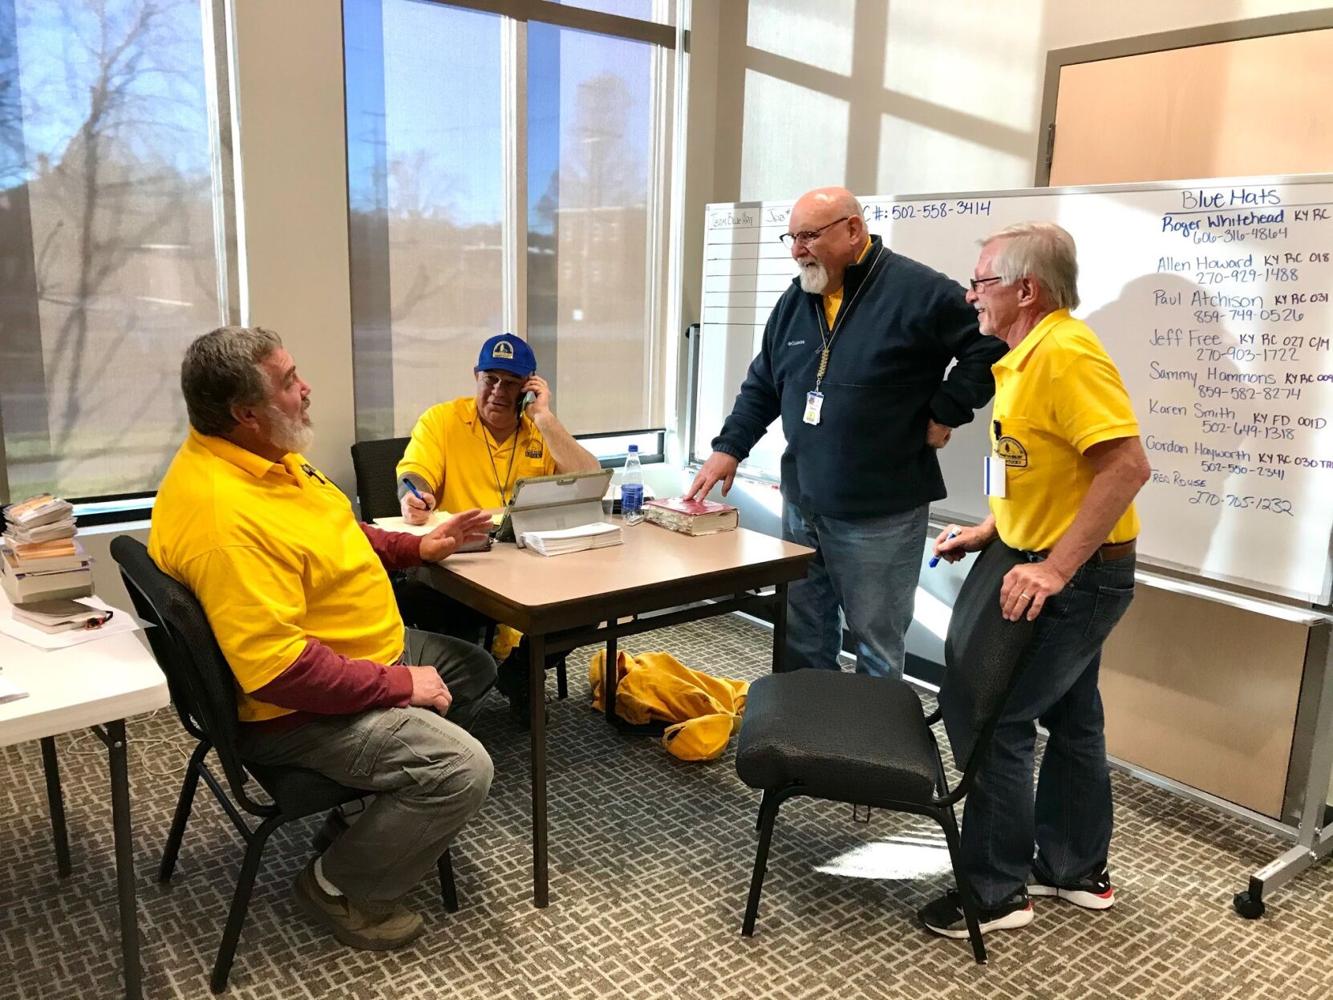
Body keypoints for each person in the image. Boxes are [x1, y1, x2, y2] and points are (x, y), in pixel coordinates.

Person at [149, 326, 497, 952]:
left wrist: (417, 546)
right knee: (463, 768)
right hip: (294, 713)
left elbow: (340, 526)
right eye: (288, 383)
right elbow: (280, 671)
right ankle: (334, 885)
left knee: (472, 668)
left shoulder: (267, 456)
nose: (305, 388)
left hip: (356, 654)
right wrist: (398, 683)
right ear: (245, 412)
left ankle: (365, 808)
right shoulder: (224, 517)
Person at [918, 223, 1151, 940]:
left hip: (1073, 576)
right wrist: (993, 529)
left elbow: (1125, 465)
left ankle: (994, 890)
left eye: (981, 282)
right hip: (1037, 553)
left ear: (1025, 289)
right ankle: (1075, 869)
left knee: (995, 718)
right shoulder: (1021, 356)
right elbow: (1035, 464)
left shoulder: (1066, 354)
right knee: (1072, 716)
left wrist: (1051, 567)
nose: (969, 295)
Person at [686, 186, 1006, 679]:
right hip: (804, 500)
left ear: (853, 230)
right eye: (791, 238)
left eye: (809, 236)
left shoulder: (917, 289)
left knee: (876, 643)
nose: (797, 250)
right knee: (805, 632)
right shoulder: (799, 297)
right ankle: (810, 741)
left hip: (881, 511)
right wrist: (729, 448)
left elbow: (991, 346)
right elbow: (765, 382)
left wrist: (946, 409)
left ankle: (867, 750)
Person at [396, 332, 599, 721]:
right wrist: (414, 496)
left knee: (589, 604)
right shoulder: (443, 420)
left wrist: (543, 417)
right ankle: (459, 702)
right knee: (438, 609)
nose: (498, 392)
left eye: (511, 383)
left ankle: (520, 671)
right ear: (476, 376)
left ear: (529, 387)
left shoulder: (541, 428)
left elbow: (589, 480)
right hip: (460, 565)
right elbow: (413, 473)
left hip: (528, 561)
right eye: (490, 379)